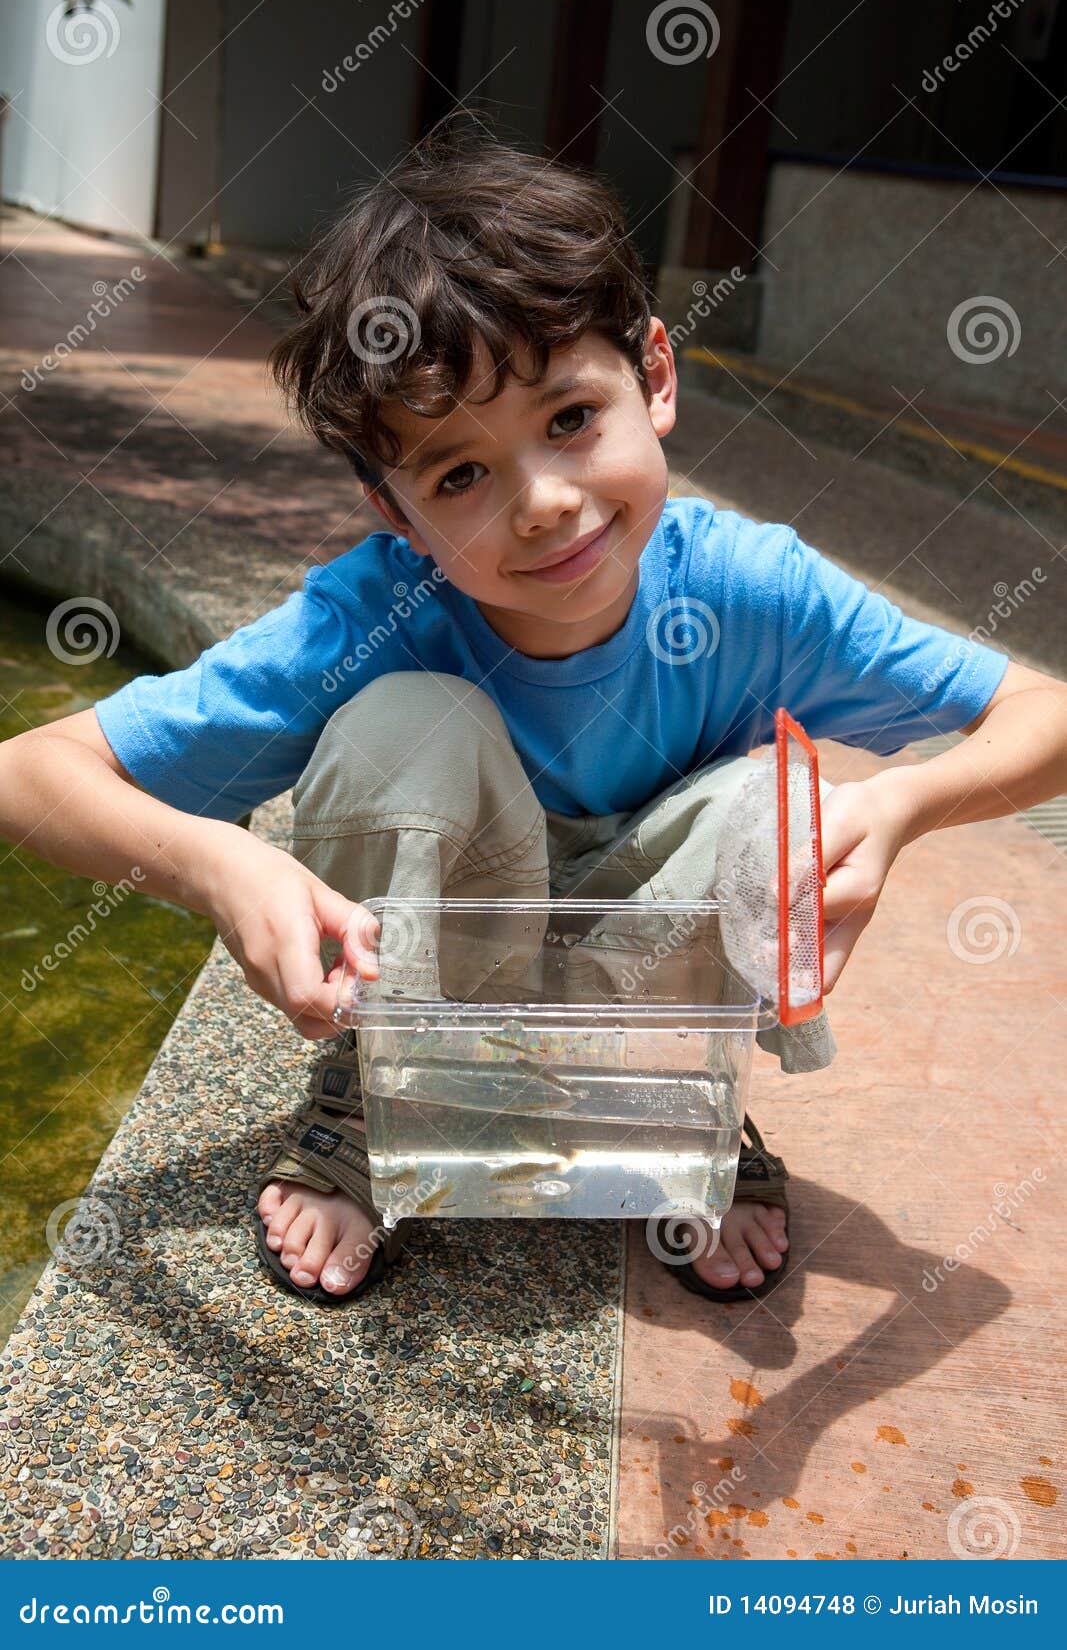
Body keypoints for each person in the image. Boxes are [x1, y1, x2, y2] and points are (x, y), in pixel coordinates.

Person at [3, 119, 1065, 1307]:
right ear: (393, 509)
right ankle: (379, 1098)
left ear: (652, 377)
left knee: (776, 789)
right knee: (405, 722)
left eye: (568, 419)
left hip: (648, 981)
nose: (544, 504)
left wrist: (903, 801)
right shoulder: (371, 614)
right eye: (459, 474)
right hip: (435, 979)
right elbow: (28, 772)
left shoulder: (746, 589)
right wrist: (214, 860)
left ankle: (685, 1112)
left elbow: (1043, 712)